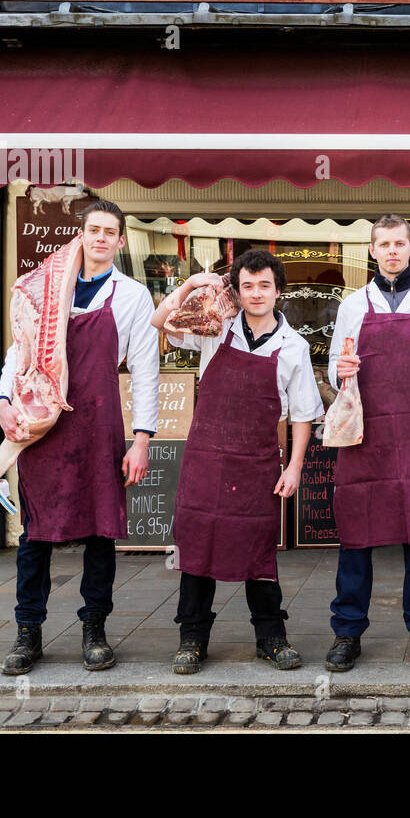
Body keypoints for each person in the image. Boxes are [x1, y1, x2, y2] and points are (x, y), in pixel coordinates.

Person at [0, 200, 159, 675]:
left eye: (111, 232)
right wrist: (4, 403)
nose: (101, 238)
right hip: (42, 428)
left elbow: (146, 372)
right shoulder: (47, 287)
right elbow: (19, 352)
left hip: (99, 429)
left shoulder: (132, 297)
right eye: (94, 230)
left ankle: (95, 630)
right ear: (81, 235)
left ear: (121, 241)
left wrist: (142, 439)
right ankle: (28, 633)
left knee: (100, 535)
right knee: (35, 537)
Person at [153, 249, 322, 673]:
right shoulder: (214, 328)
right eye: (247, 285)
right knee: (196, 552)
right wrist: (193, 284)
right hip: (205, 463)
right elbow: (159, 322)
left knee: (259, 556)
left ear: (278, 290)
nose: (256, 293)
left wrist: (296, 466)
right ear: (238, 290)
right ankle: (192, 639)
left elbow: (302, 415)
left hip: (257, 468)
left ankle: (271, 638)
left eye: (265, 285)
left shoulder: (294, 347)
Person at [325, 214, 410, 672]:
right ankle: (347, 632)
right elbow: (333, 369)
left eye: (398, 243)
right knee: (357, 538)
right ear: (371, 250)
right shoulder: (352, 304)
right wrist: (340, 372)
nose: (391, 251)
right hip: (364, 437)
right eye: (383, 244)